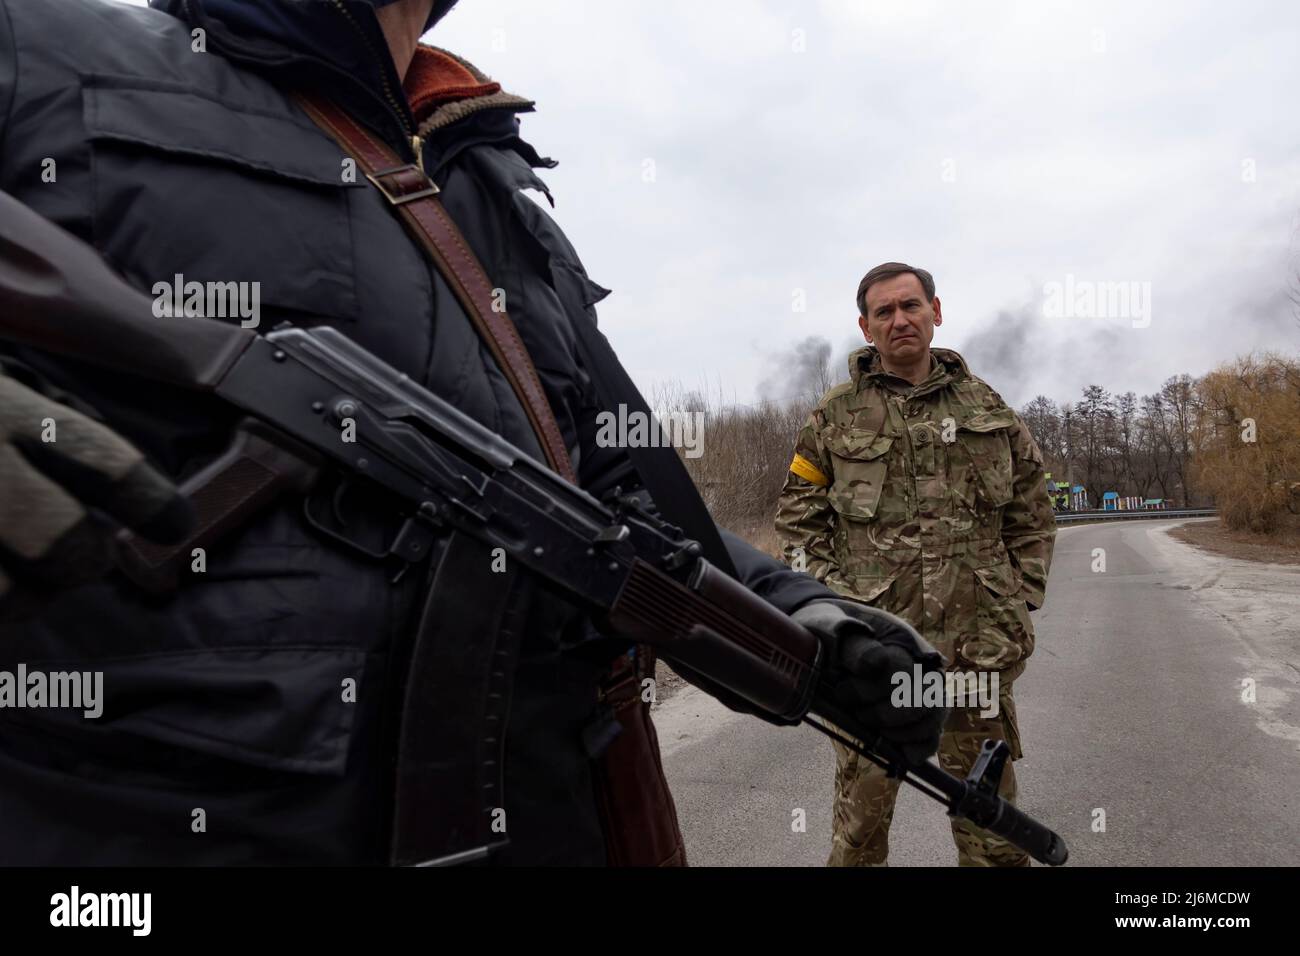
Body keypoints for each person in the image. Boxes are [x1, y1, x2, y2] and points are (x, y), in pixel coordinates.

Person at [0, 1, 944, 865]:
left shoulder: (485, 180)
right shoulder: (50, 53)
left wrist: (804, 617)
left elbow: (611, 501)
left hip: (548, 815)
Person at [776, 261, 1056, 866]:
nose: (900, 319)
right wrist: (829, 613)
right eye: (885, 311)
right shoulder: (835, 415)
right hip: (876, 651)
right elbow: (799, 523)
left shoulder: (989, 407)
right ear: (866, 326)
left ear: (936, 311)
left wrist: (1019, 594)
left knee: (992, 821)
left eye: (910, 305)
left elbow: (1033, 507)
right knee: (861, 825)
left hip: (978, 647)